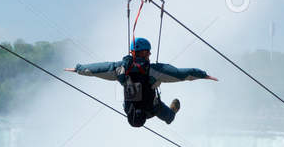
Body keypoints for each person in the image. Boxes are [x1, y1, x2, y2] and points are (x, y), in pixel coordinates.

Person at [69, 37, 217, 127]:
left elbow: (97, 69)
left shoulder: (120, 68)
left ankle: (161, 111)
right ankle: (172, 113)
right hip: (151, 108)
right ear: (144, 52)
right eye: (149, 52)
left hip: (130, 110)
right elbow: (180, 74)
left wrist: (78, 69)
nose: (150, 54)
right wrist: (203, 75)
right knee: (168, 116)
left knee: (134, 97)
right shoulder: (154, 70)